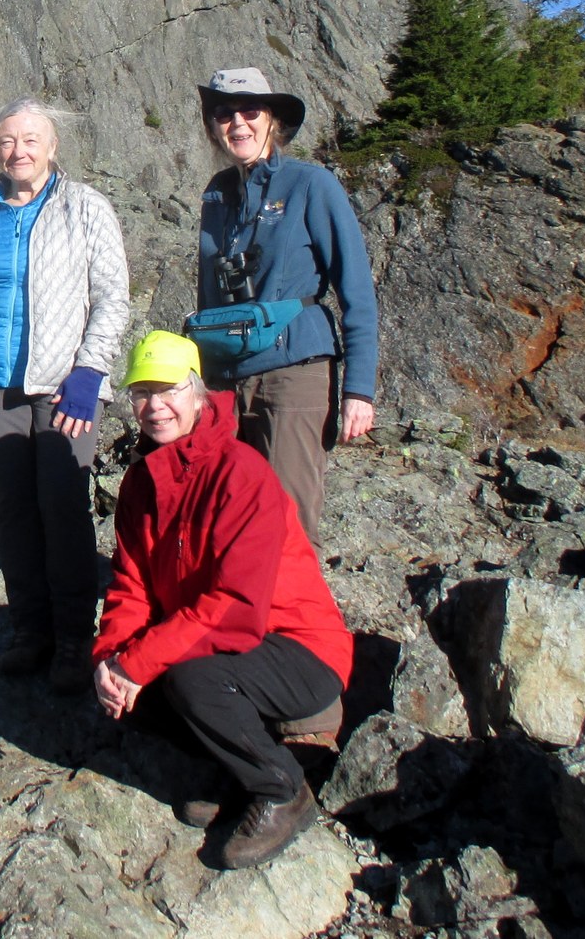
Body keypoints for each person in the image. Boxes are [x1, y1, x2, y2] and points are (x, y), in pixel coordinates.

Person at [92, 332, 353, 870]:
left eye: (168, 390)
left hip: (297, 647)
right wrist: (112, 657)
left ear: (198, 395)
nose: (155, 406)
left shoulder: (240, 472)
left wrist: (141, 662)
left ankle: (282, 788)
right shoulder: (142, 481)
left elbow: (235, 605)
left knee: (191, 678)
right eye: (142, 393)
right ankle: (233, 772)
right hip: (220, 643)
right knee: (125, 686)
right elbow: (131, 585)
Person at [0, 98, 130, 693]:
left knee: (64, 505)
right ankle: (30, 629)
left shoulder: (85, 206)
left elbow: (113, 295)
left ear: (52, 148)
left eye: (30, 140)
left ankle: (74, 636)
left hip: (63, 384)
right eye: (7, 140)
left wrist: (90, 371)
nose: (17, 151)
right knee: (14, 510)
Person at [194, 66, 378, 540]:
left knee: (288, 526)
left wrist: (359, 390)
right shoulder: (217, 194)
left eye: (250, 110)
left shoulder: (311, 185)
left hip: (294, 371)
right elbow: (208, 294)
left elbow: (356, 289)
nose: (238, 122)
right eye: (224, 113)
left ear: (271, 119)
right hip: (226, 378)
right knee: (228, 523)